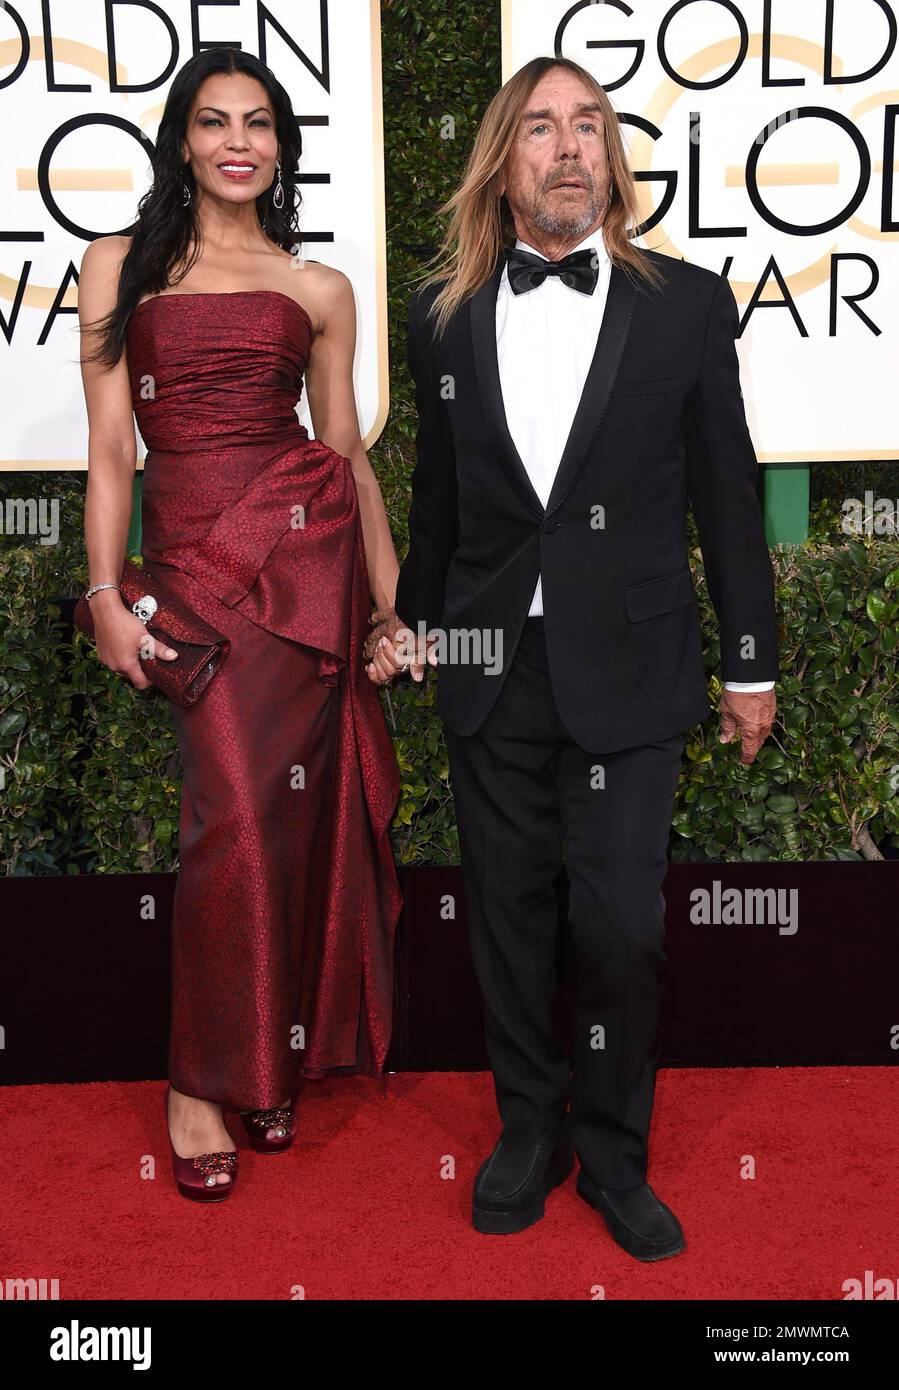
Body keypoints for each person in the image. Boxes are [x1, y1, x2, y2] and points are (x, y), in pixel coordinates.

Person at [369, 57, 778, 1260]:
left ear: (611, 155)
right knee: (505, 914)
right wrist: (419, 625)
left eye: (586, 126)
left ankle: (612, 1153)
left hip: (633, 664)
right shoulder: (439, 311)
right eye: (539, 129)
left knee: (618, 926)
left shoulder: (687, 303)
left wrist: (749, 662)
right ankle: (525, 1132)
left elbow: (728, 497)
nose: (565, 149)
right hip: (487, 661)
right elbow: (439, 507)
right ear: (502, 161)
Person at [78, 47, 403, 1202]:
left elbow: (347, 455)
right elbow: (113, 446)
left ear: (279, 144)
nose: (236, 142)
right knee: (230, 826)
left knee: (293, 826)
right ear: (182, 138)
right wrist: (105, 592)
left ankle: (265, 1058)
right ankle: (196, 1078)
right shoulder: (115, 266)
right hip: (191, 577)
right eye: (213, 121)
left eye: (257, 123)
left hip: (304, 571)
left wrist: (385, 608)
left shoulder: (316, 289)